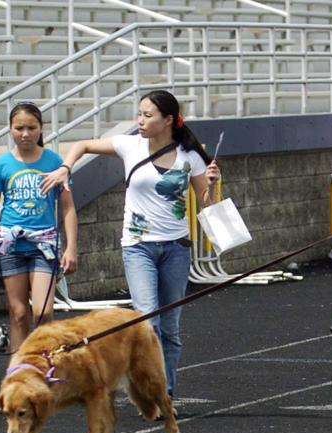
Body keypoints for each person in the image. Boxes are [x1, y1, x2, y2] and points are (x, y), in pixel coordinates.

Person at [39, 90, 220, 399]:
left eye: (148, 115)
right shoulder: (129, 145)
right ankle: (145, 387)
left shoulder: (190, 156)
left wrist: (212, 185)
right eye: (139, 113)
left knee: (171, 327)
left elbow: (207, 205)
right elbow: (82, 145)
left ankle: (166, 392)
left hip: (176, 247)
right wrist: (65, 167)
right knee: (149, 318)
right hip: (138, 246)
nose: (140, 120)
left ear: (168, 120)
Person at [0, 103, 79, 348]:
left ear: (41, 128)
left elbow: (67, 207)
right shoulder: (1, 165)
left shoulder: (54, 160)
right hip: (11, 246)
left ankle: (46, 362)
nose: (25, 133)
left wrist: (71, 247)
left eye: (31, 127)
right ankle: (19, 370)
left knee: (43, 312)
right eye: (19, 128)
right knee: (19, 312)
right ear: (10, 129)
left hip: (43, 245)